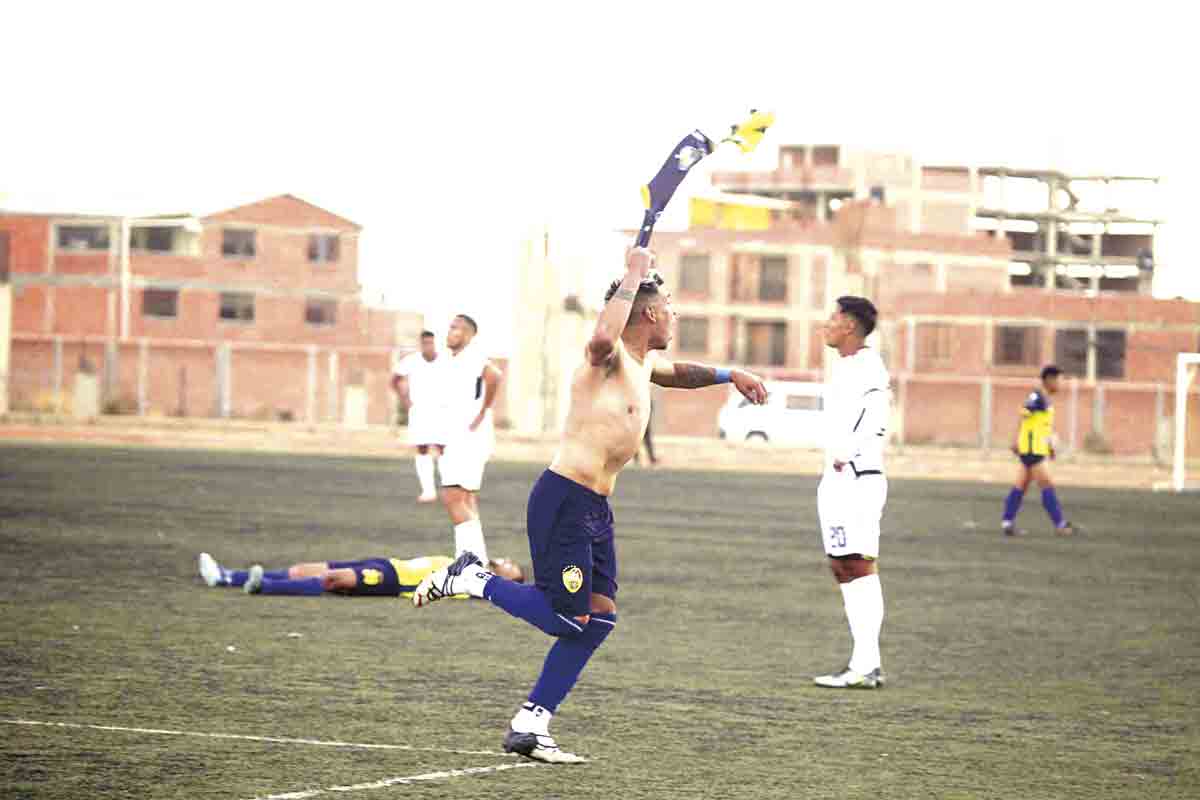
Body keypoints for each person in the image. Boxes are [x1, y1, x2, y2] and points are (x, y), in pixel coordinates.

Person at [410, 247, 766, 763]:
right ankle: (471, 578)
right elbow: (601, 336)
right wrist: (635, 273)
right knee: (568, 618)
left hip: (596, 508)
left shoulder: (643, 364)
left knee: (599, 617)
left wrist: (730, 374)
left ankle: (531, 724)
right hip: (564, 499)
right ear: (650, 313)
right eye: (669, 307)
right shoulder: (607, 356)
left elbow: (680, 373)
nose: (675, 315)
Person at [813, 296, 890, 690]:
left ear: (849, 325)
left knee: (858, 565)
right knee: (842, 565)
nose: (826, 323)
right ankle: (864, 663)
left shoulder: (868, 365)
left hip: (858, 477)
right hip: (838, 478)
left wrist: (849, 453)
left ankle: (866, 664)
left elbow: (877, 417)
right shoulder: (844, 366)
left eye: (833, 316)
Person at [438, 314, 503, 563]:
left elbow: (495, 375)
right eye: (450, 327)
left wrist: (484, 410)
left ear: (467, 334)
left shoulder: (472, 356)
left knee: (453, 496)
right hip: (462, 437)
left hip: (468, 438)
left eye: (455, 328)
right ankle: (477, 560)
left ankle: (469, 562)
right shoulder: (453, 360)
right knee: (465, 498)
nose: (450, 332)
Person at [197, 551, 524, 597]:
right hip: (390, 564)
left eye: (513, 567)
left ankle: (264, 586)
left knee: (332, 580)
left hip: (394, 582)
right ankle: (227, 576)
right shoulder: (477, 560)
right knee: (307, 569)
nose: (508, 561)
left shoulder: (480, 583)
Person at [1001, 365, 1080, 537]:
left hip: (1036, 449)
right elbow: (1023, 415)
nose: (1061, 384)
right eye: (1059, 380)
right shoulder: (1037, 397)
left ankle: (1007, 522)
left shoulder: (1045, 400)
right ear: (1049, 380)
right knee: (1046, 485)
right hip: (1031, 450)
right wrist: (1015, 439)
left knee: (1020, 485)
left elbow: (1042, 427)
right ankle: (1060, 525)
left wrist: (1049, 446)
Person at [392, 331, 448, 503]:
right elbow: (395, 379)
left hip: (442, 411)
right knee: (422, 448)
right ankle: (428, 491)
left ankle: (450, 490)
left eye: (431, 343)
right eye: (425, 343)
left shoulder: (446, 360)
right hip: (420, 411)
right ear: (421, 344)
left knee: (443, 448)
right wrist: (405, 399)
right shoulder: (412, 361)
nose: (428, 346)